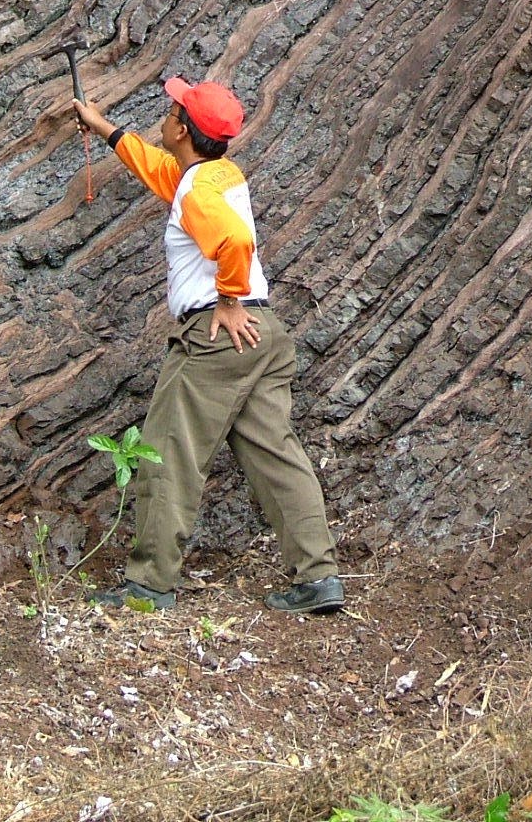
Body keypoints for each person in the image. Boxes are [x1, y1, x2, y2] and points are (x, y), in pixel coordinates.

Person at [70, 75, 343, 614]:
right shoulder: (215, 174)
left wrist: (228, 298)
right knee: (275, 454)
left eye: (173, 111)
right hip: (263, 336)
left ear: (182, 130)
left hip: (218, 337)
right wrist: (104, 128)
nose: (166, 115)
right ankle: (319, 577)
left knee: (168, 450)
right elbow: (160, 171)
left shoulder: (197, 190)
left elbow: (235, 240)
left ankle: (149, 584)